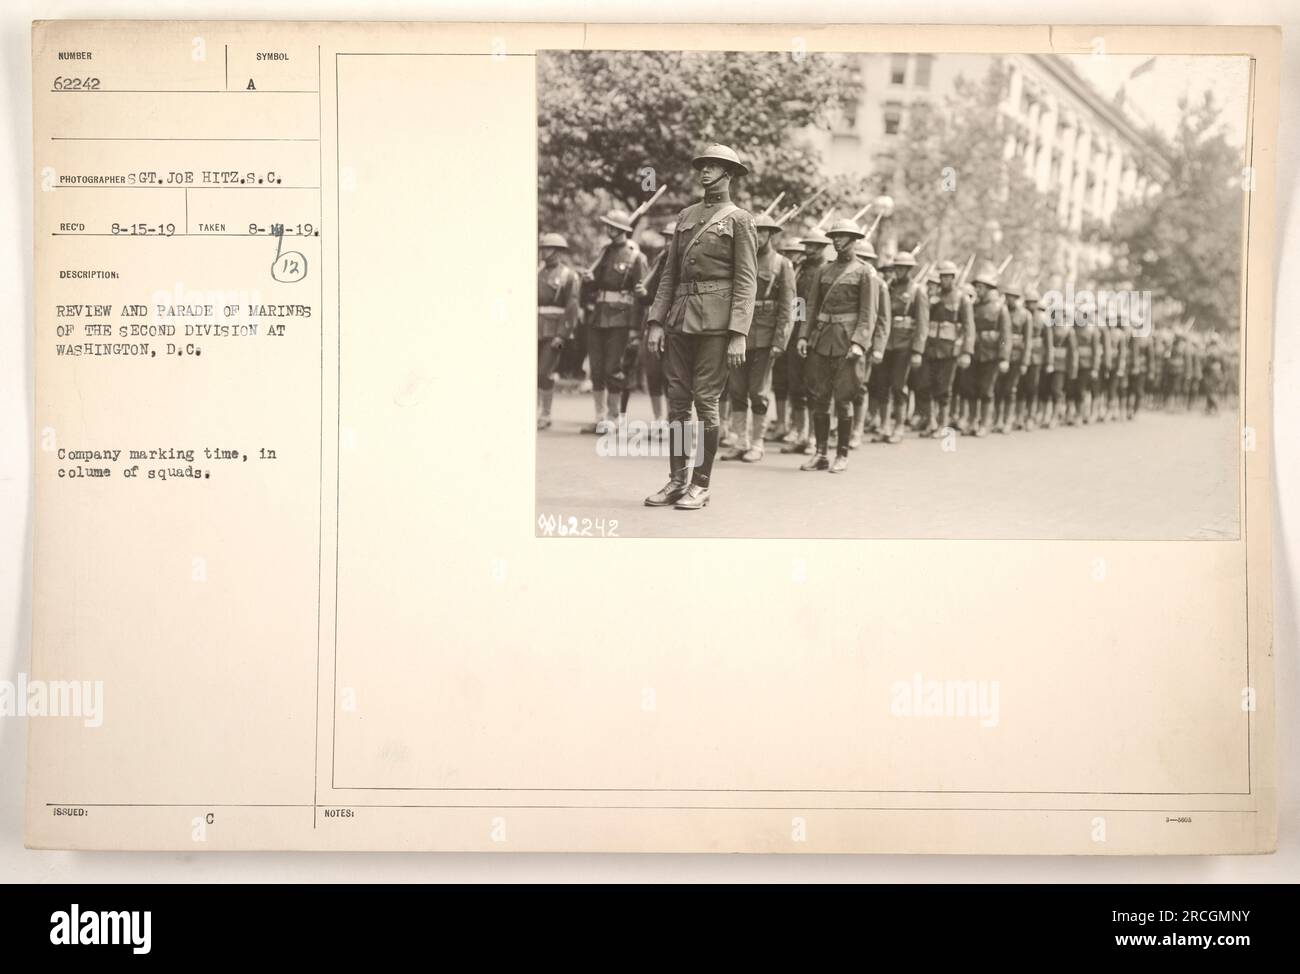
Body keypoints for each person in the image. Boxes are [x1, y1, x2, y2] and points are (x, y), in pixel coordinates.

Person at [643, 144, 757, 510]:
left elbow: (746, 281)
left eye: (714, 166)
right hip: (680, 318)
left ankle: (701, 484)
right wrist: (657, 320)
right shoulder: (686, 215)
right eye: (703, 165)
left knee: (706, 403)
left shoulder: (740, 220)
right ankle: (677, 480)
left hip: (717, 324)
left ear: (730, 175)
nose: (705, 171)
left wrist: (739, 332)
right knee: (678, 404)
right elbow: (669, 275)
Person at [794, 218, 887, 473]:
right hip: (822, 340)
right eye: (834, 236)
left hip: (848, 343)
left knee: (844, 399)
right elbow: (811, 307)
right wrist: (804, 335)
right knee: (819, 398)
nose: (836, 240)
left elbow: (869, 313)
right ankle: (821, 453)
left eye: (842, 236)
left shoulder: (865, 271)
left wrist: (859, 343)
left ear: (854, 240)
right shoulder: (824, 270)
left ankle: (842, 455)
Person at [721, 212, 795, 462]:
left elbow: (788, 307)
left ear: (771, 235)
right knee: (737, 388)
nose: (757, 236)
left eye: (762, 232)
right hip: (740, 333)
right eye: (754, 232)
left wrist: (780, 341)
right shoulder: (742, 260)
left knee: (758, 391)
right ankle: (740, 441)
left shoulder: (782, 264)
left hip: (765, 336)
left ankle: (758, 442)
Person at [580, 209, 648, 432]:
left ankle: (613, 417)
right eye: (607, 225)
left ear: (620, 229)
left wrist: (636, 328)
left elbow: (642, 295)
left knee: (613, 369)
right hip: (598, 316)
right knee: (597, 368)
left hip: (621, 318)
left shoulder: (634, 255)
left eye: (611, 226)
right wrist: (589, 281)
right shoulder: (604, 252)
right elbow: (593, 288)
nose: (607, 229)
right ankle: (600, 417)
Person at [780, 226, 832, 456]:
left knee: (814, 388)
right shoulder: (798, 269)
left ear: (823, 248)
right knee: (795, 386)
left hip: (815, 335)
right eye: (808, 245)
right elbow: (794, 301)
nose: (810, 249)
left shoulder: (827, 271)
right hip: (795, 331)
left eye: (815, 246)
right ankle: (800, 433)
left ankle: (813, 437)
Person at [876, 250, 928, 444]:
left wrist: (917, 351)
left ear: (909, 269)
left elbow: (922, 323)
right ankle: (884, 425)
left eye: (902, 268)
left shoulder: (917, 291)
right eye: (896, 267)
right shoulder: (887, 287)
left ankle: (899, 426)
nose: (898, 271)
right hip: (885, 342)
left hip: (904, 345)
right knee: (882, 385)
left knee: (899, 386)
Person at [918, 260, 973, 437]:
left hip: (949, 350)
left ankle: (943, 424)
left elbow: (968, 326)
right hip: (930, 347)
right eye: (942, 276)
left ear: (953, 278)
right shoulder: (933, 296)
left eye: (947, 277)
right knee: (925, 384)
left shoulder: (962, 298)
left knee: (944, 389)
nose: (944, 280)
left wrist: (966, 351)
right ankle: (931, 421)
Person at [536, 233, 580, 430]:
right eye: (542, 248)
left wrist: (562, 334)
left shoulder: (568, 276)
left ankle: (545, 413)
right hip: (535, 326)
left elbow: (572, 307)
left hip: (553, 329)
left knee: (545, 372)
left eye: (547, 248)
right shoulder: (536, 272)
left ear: (558, 251)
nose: (543, 252)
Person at [767, 236, 807, 441]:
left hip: (798, 332)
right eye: (789, 252)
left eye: (796, 252)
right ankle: (781, 423)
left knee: (797, 382)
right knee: (780, 380)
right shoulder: (782, 270)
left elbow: (800, 307)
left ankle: (796, 426)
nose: (793, 256)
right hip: (781, 330)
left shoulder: (807, 274)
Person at [854, 238, 891, 447]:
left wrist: (878, 348)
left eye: (867, 259)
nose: (863, 263)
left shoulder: (879, 284)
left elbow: (883, 320)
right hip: (844, 339)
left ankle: (857, 430)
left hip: (866, 344)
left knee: (860, 387)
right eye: (860, 258)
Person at [969, 267, 1011, 437]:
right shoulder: (973, 306)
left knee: (986, 390)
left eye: (980, 287)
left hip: (991, 355)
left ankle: (984, 423)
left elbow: (1005, 335)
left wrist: (1003, 357)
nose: (977, 290)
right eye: (976, 287)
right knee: (971, 389)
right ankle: (972, 421)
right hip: (974, 352)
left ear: (988, 289)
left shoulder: (1000, 308)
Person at [992, 281, 1028, 434]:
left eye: (1013, 297)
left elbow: (1028, 340)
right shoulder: (1001, 311)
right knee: (998, 388)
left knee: (1010, 389)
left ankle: (1008, 420)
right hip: (1001, 355)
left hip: (1016, 357)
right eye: (1008, 296)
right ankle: (997, 419)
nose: (1010, 299)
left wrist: (1025, 362)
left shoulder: (1025, 315)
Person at [1014, 285, 1050, 431]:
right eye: (1028, 302)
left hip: (1035, 357)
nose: (1030, 305)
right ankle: (1019, 416)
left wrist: (1049, 361)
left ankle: (1030, 416)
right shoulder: (1021, 316)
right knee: (1019, 387)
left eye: (1033, 302)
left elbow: (1048, 342)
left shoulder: (1043, 320)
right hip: (1021, 355)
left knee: (1032, 388)